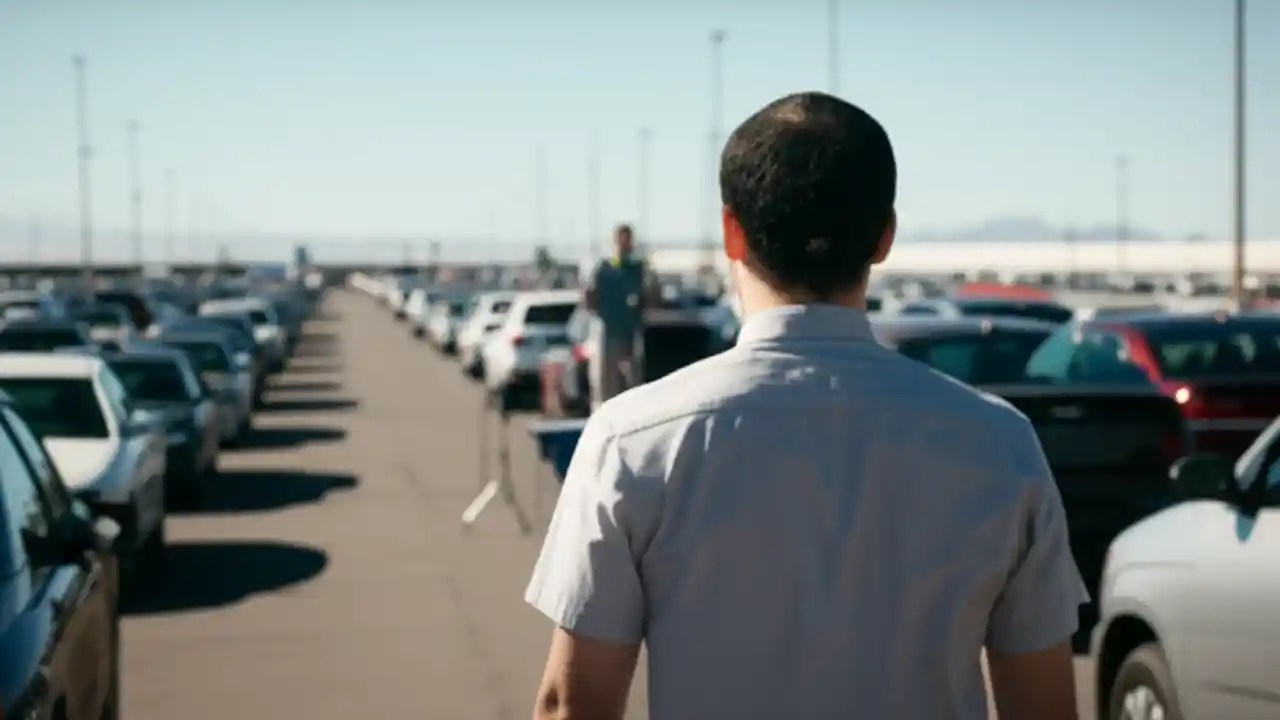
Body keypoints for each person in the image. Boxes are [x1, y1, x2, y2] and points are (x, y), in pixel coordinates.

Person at [526, 92, 1087, 719]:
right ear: (884, 237)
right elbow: (1045, 707)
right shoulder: (1000, 444)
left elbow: (571, 704)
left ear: (732, 233)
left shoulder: (630, 441)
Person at [584, 224, 648, 410]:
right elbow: (589, 296)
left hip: (629, 331)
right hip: (607, 330)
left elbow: (647, 296)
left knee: (633, 382)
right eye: (621, 240)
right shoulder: (604, 269)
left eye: (628, 240)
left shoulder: (636, 269)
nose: (625, 244)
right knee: (605, 383)